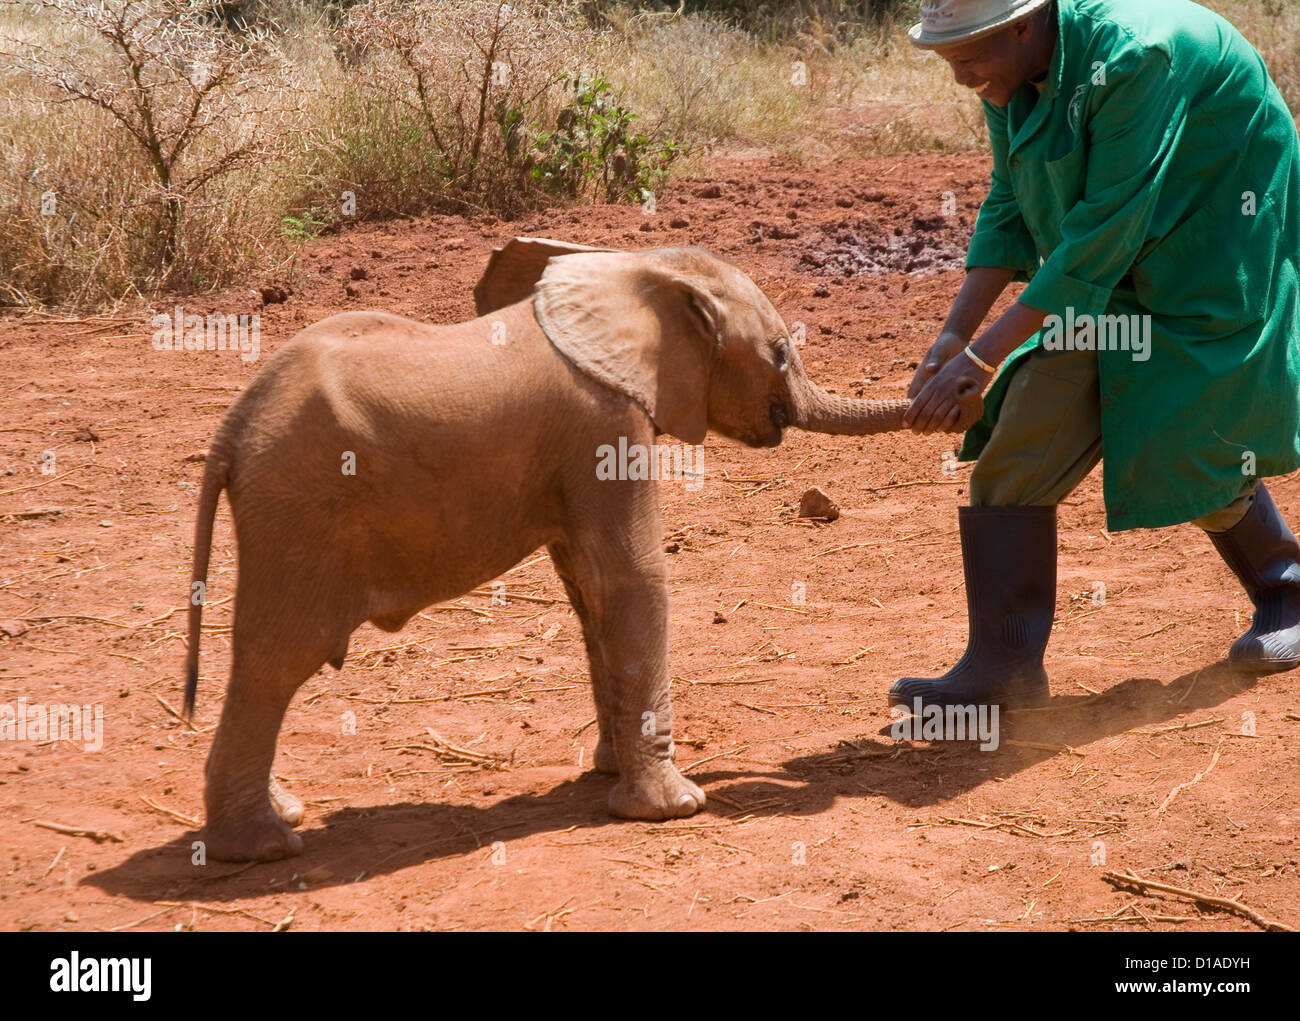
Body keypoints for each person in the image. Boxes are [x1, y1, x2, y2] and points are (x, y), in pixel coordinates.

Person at [896, 0, 1300, 710]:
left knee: (1189, 425)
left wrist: (983, 358)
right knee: (1028, 423)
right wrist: (954, 336)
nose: (957, 75)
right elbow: (1010, 204)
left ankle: (1286, 588)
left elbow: (1099, 235)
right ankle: (1004, 663)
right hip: (1116, 248)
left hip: (1216, 225)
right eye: (945, 57)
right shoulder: (1009, 77)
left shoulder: (1134, 58)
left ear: (1025, 24)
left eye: (967, 54)